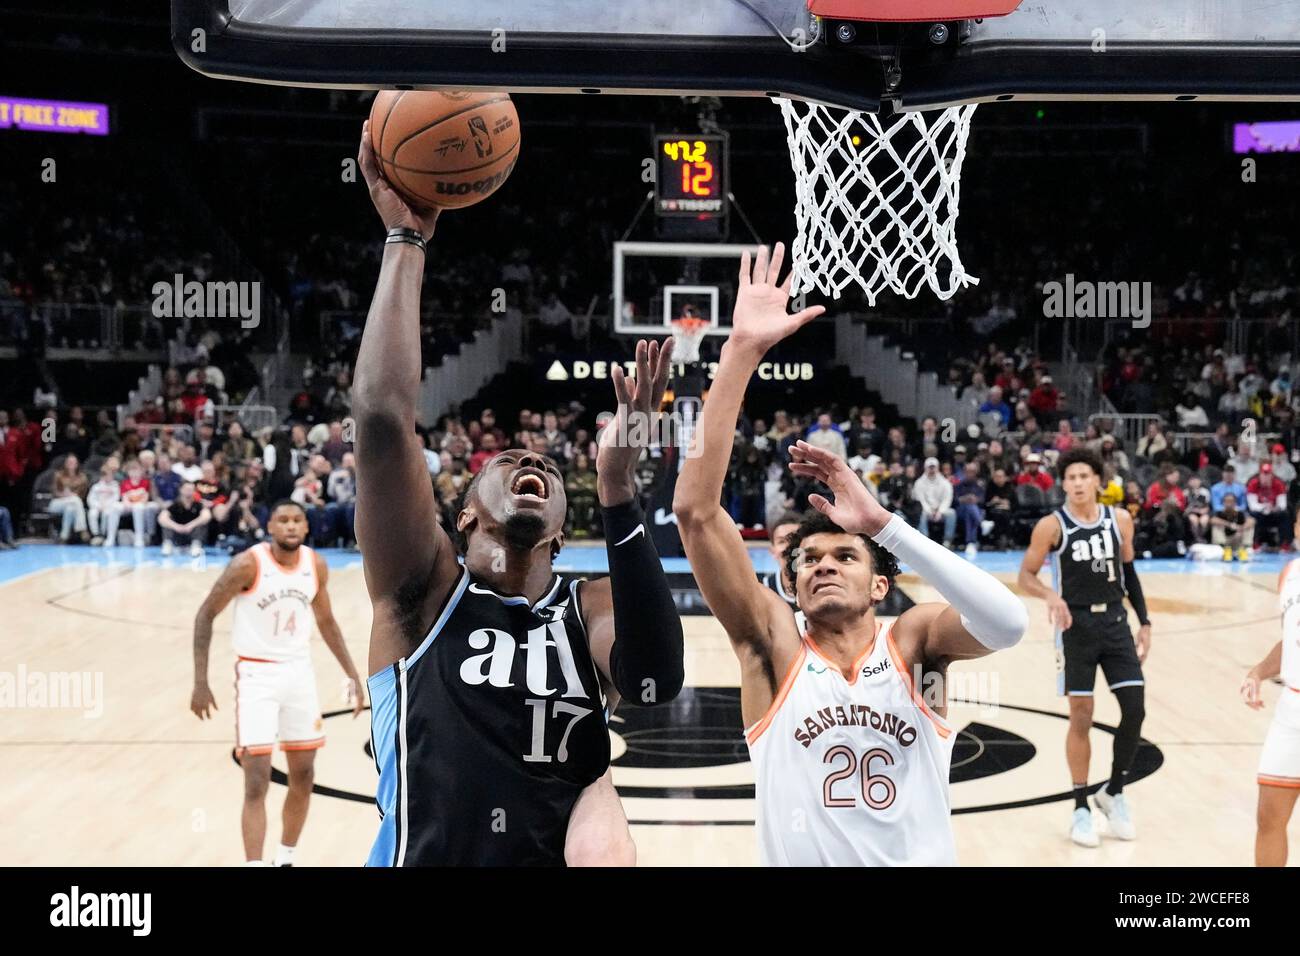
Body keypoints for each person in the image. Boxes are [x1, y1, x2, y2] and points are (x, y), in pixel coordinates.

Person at [353, 122, 684, 866]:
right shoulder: (423, 594)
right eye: (506, 458)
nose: (529, 457)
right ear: (464, 511)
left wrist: (618, 492)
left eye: (544, 466)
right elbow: (379, 418)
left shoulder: (589, 605)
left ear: (565, 533)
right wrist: (406, 242)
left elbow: (656, 681)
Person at [673, 244, 1026, 865]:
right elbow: (697, 514)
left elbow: (1008, 623)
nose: (824, 564)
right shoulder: (774, 647)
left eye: (844, 554)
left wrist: (885, 525)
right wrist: (739, 355)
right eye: (807, 559)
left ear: (879, 587)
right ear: (792, 584)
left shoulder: (915, 642)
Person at [190, 501, 365, 866]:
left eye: (297, 520)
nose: (290, 526)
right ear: (270, 526)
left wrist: (351, 673)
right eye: (282, 519)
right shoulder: (248, 564)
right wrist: (200, 682)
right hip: (256, 676)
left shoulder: (315, 565)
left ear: (305, 527)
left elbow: (327, 622)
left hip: (299, 674)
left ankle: (285, 858)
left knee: (304, 774)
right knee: (257, 779)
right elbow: (205, 614)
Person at [1018, 448, 1151, 848]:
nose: (1076, 483)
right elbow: (1025, 575)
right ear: (1064, 483)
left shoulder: (1120, 520)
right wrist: (1050, 596)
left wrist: (1144, 621)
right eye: (1070, 477)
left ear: (1097, 480)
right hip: (1074, 626)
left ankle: (1113, 791)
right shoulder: (1051, 525)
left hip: (1114, 622)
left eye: (1083, 476)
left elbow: (1129, 572)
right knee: (1082, 715)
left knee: (1135, 708)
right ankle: (1080, 806)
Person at [1241, 516, 1300, 866]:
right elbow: (1290, 640)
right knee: (1268, 817)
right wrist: (1259, 671)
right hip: (1291, 709)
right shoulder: (1290, 574)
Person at [159, 481, 211, 557]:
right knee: (167, 521)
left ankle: (196, 545)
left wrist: (191, 525)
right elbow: (161, 518)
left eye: (191, 489)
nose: (189, 492)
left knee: (201, 521)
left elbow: (207, 516)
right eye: (187, 489)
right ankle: (168, 544)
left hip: (192, 534)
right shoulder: (174, 504)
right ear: (181, 490)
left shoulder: (198, 505)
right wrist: (176, 526)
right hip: (177, 533)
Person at [913, 456, 956, 547]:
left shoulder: (945, 483)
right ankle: (925, 541)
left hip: (941, 511)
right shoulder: (919, 483)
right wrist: (929, 511)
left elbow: (947, 499)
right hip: (926, 511)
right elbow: (920, 500)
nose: (932, 470)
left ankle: (947, 541)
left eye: (934, 467)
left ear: (937, 468)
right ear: (925, 468)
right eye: (930, 467)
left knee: (952, 513)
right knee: (921, 513)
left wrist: (940, 512)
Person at [1247, 461, 1290, 551]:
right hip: (1260, 513)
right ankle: (1255, 543)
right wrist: (1265, 507)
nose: (1266, 477)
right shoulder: (1253, 483)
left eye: (1268, 474)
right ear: (1260, 474)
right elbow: (1252, 505)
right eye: (1264, 474)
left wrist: (1274, 508)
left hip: (1274, 512)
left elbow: (1282, 505)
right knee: (1253, 514)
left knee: (1285, 514)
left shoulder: (1278, 484)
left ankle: (1284, 544)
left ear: (1272, 475)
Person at [1210, 492, 1254, 561]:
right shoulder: (1219, 513)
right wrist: (1230, 525)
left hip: (1238, 539)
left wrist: (1241, 528)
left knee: (1249, 527)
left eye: (1231, 501)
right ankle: (1225, 550)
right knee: (1217, 526)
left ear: (1235, 503)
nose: (1229, 504)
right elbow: (1213, 520)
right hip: (1225, 540)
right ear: (1223, 503)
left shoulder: (1240, 513)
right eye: (1226, 501)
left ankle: (1244, 549)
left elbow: (1252, 521)